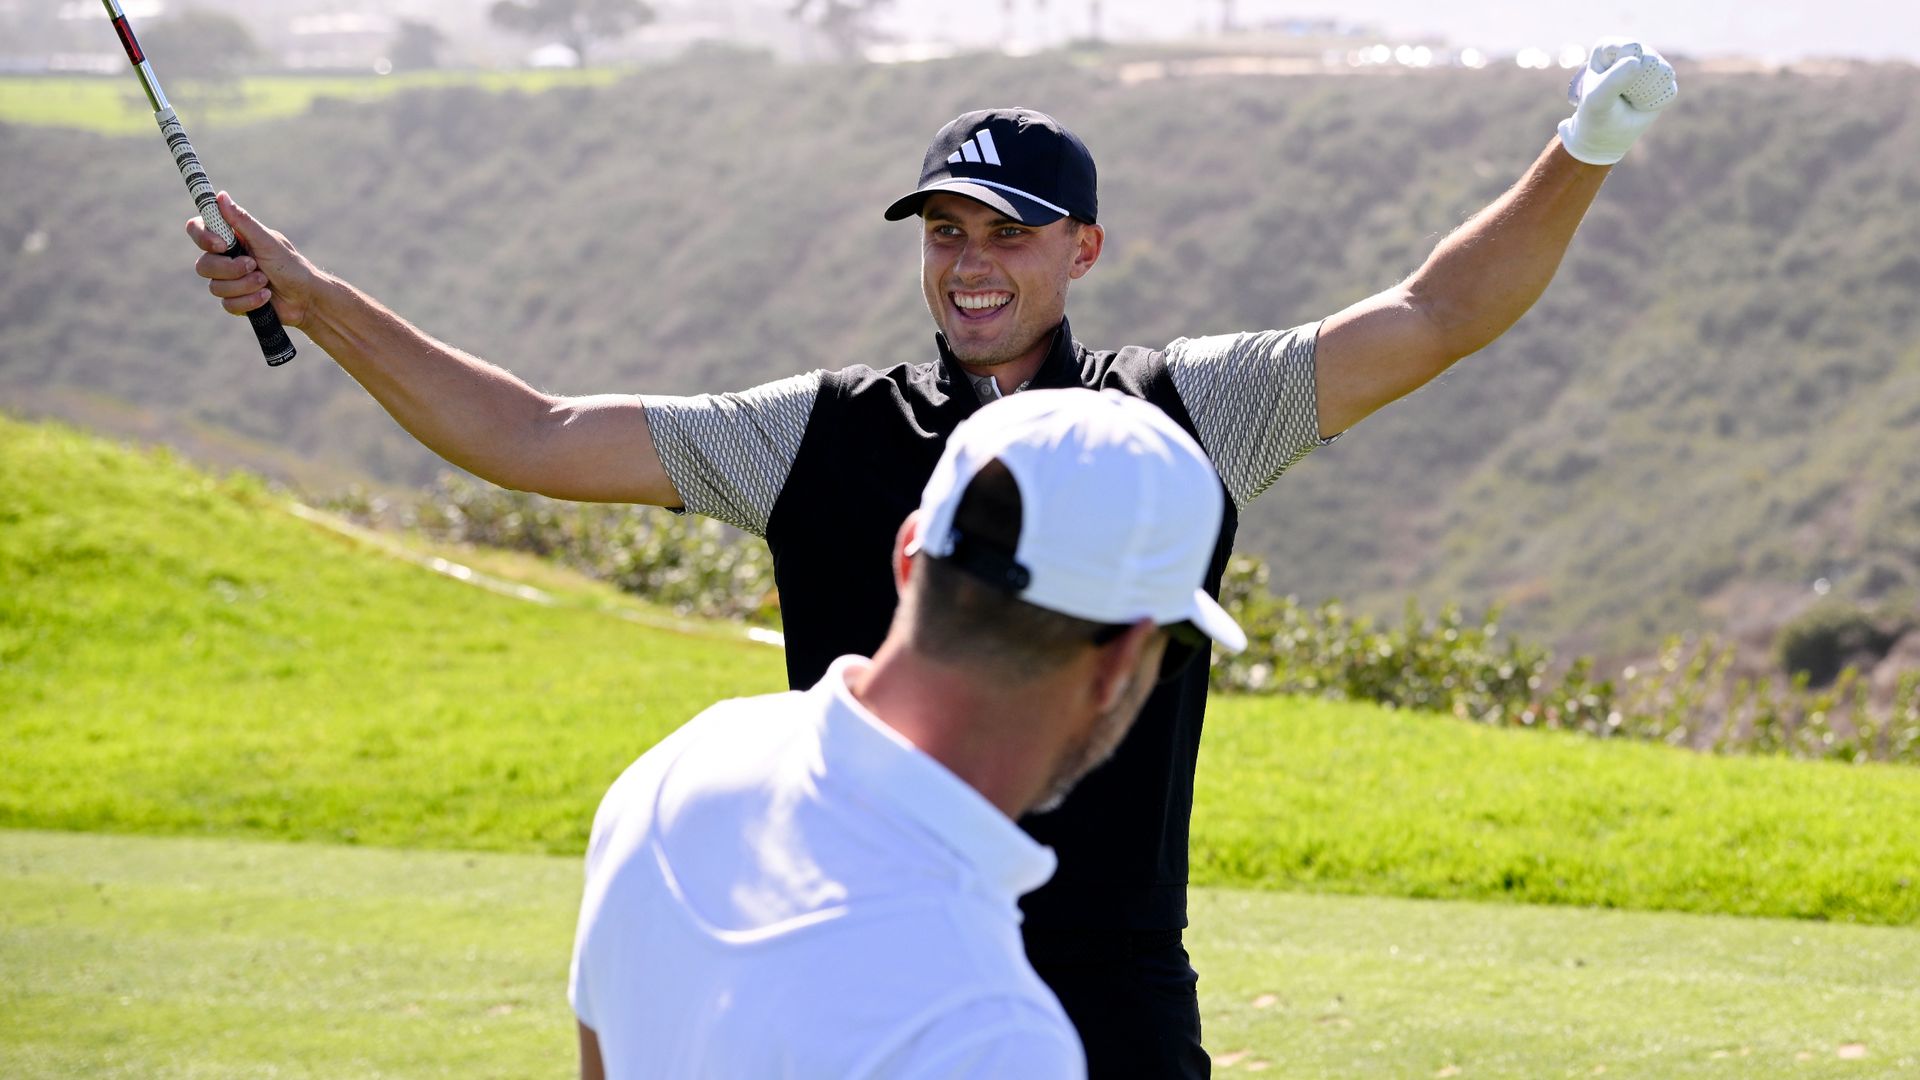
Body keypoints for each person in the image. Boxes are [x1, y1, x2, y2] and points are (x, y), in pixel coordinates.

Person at [188, 38, 1677, 1075]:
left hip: (1109, 988)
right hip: (866, 947)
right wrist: (312, 301)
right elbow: (538, 430)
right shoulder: (819, 432)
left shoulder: (1179, 410)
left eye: (1010, 233)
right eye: (944, 227)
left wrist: (1581, 150)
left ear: (1081, 252)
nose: (970, 259)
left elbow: (1429, 316)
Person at [568, 387, 1247, 1078]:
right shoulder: (994, 1036)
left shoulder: (673, 769)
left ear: (908, 557)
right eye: (1178, 644)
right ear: (1122, 662)